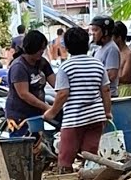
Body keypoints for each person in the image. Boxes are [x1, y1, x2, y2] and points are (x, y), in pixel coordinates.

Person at [45, 27, 112, 171]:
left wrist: (51, 112)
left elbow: (63, 94)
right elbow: (106, 90)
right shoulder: (98, 65)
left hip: (74, 119)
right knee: (90, 155)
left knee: (65, 157)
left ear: (67, 47)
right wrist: (107, 112)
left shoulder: (66, 67)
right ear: (87, 44)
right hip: (96, 116)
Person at [5, 30, 55, 137]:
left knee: (37, 144)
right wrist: (47, 107)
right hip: (20, 115)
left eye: (43, 49)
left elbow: (56, 83)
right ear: (32, 48)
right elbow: (24, 94)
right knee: (22, 147)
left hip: (36, 113)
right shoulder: (19, 66)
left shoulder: (42, 63)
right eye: (39, 49)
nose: (42, 52)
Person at [89, 15, 120, 95]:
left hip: (108, 96)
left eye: (95, 30)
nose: (93, 34)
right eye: (92, 30)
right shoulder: (99, 49)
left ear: (105, 32)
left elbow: (111, 75)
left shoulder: (112, 49)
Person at [112, 21, 131, 97]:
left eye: (112, 37)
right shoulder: (113, 52)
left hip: (125, 91)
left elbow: (126, 78)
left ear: (119, 38)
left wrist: (108, 79)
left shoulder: (129, 54)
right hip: (116, 89)